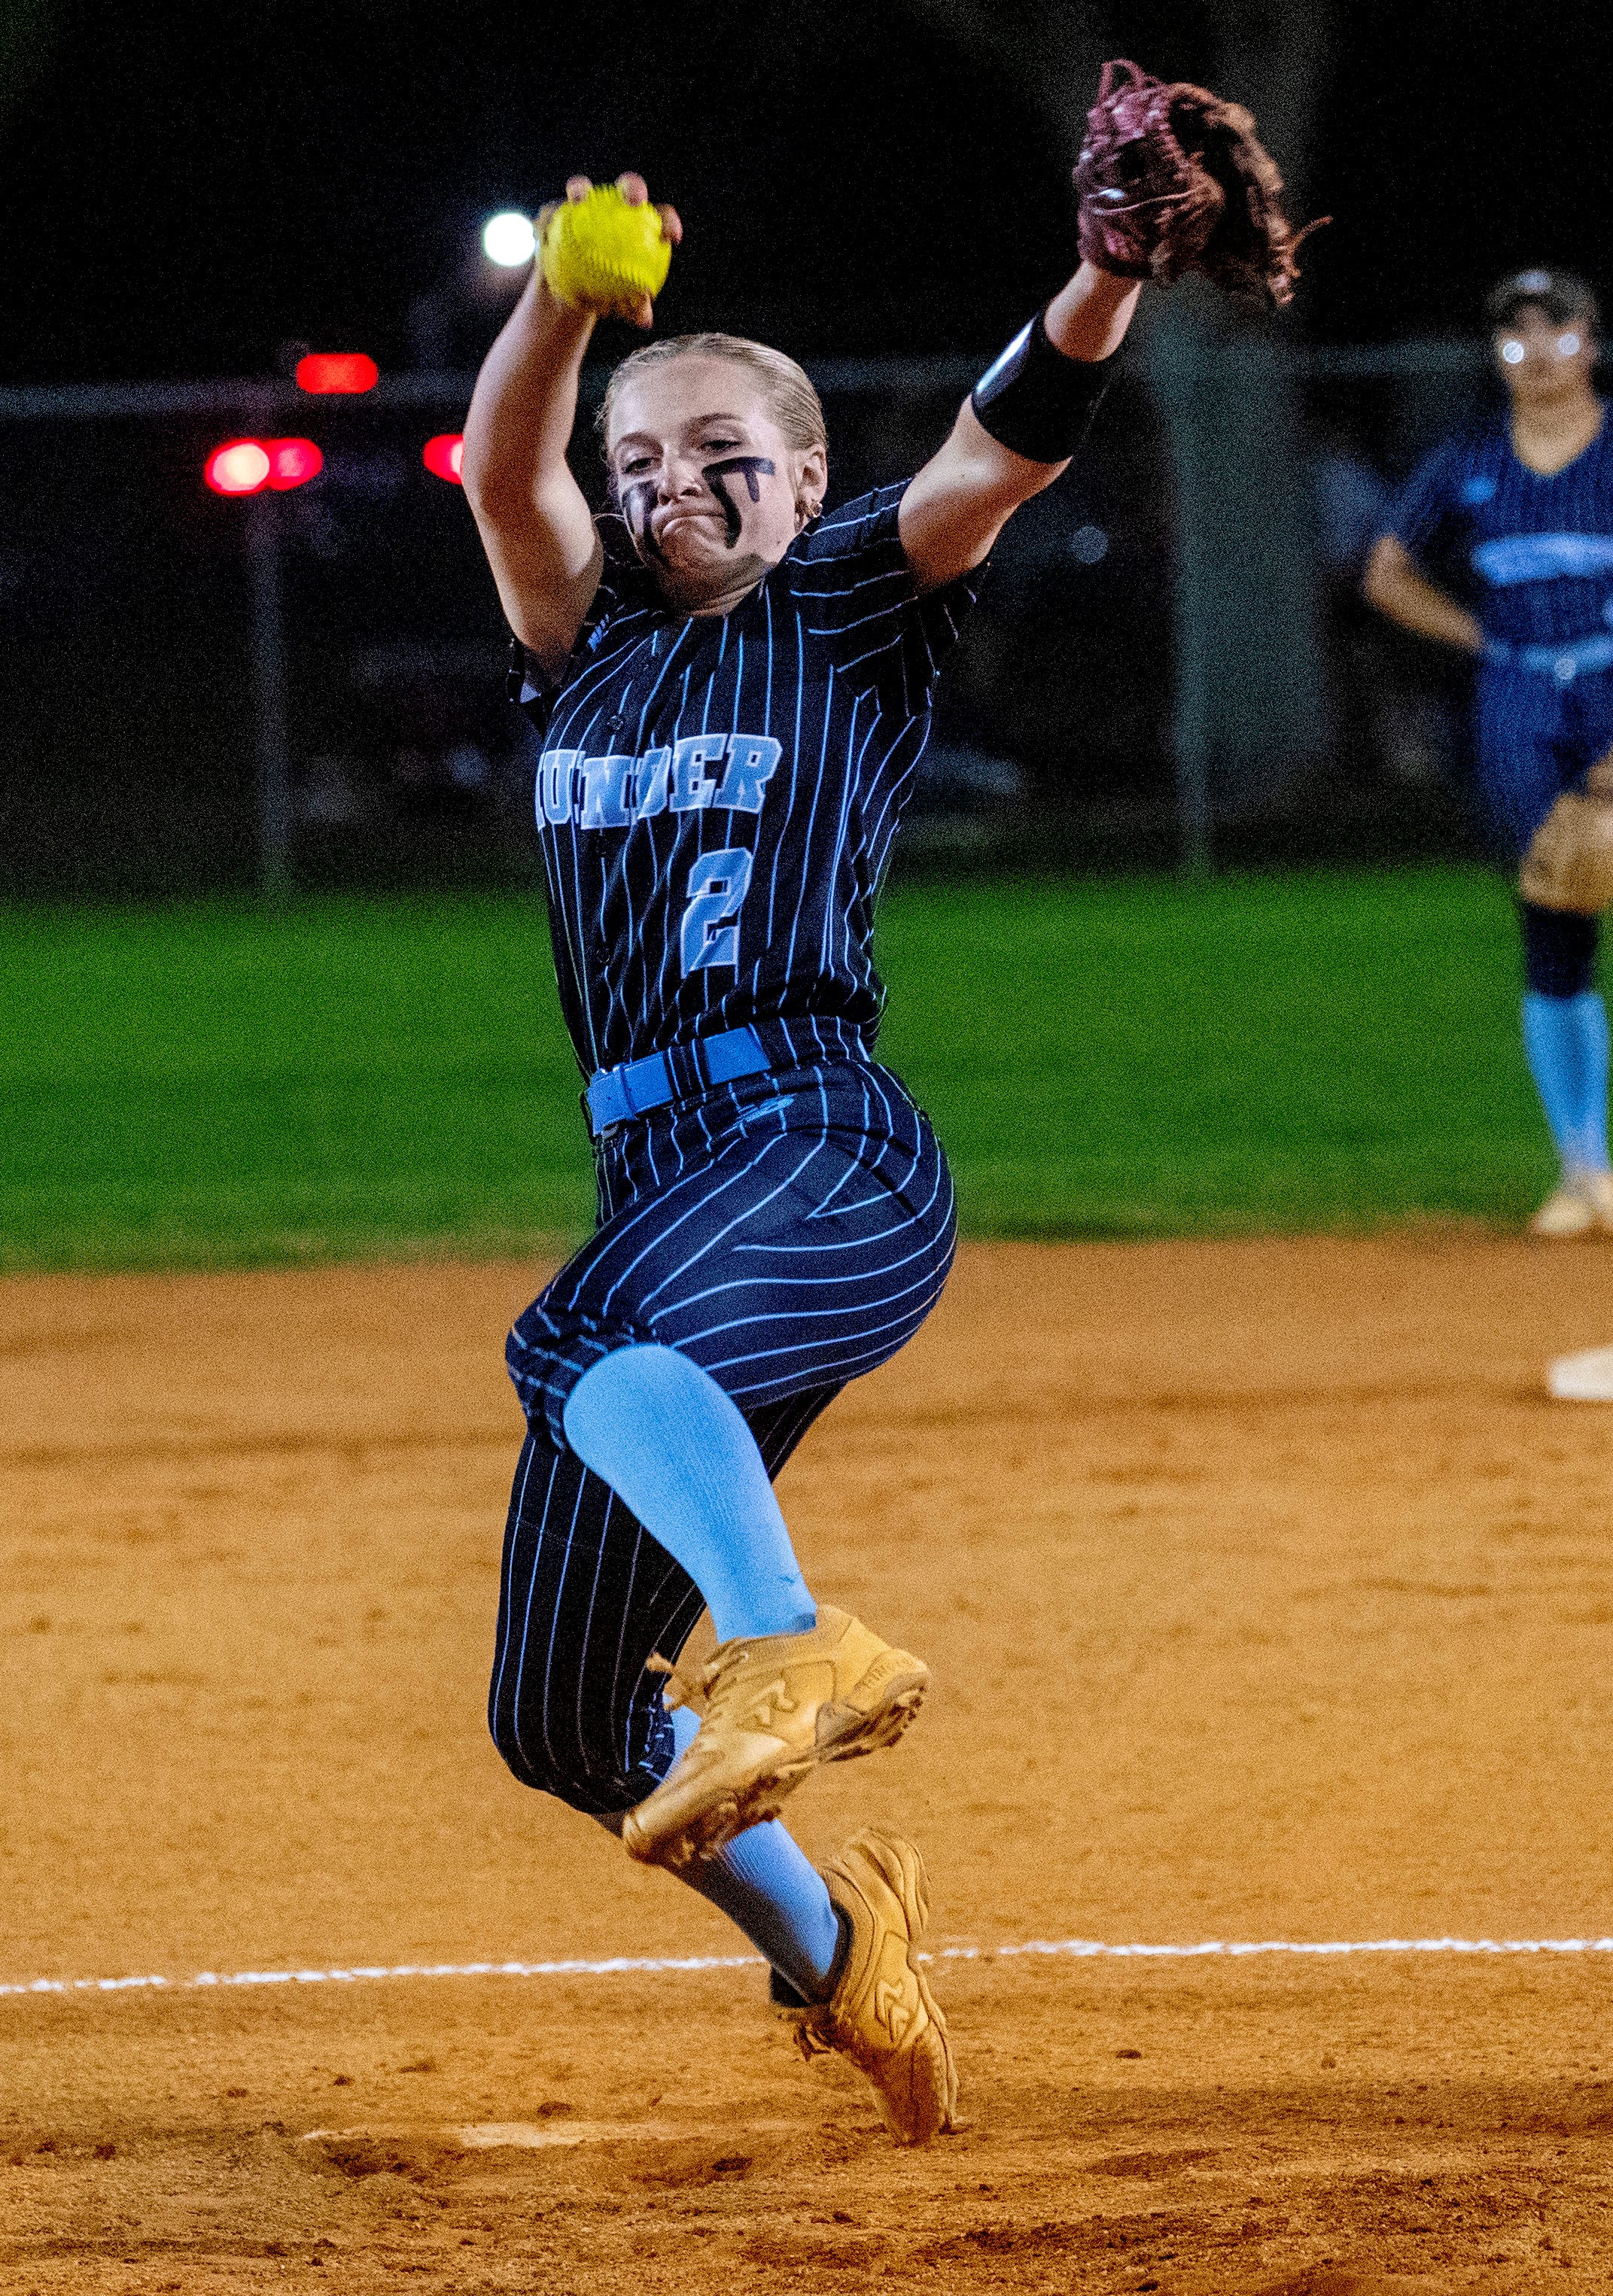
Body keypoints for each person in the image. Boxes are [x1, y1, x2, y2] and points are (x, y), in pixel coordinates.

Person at [458, 166, 1147, 2144]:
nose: (675, 483)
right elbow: (506, 470)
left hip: (820, 1149)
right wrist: (564, 313)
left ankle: (789, 1642)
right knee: (556, 1718)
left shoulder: (846, 595)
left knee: (584, 1350)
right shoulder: (581, 635)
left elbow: (1003, 446)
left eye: (721, 450)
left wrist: (1102, 273)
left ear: (805, 467)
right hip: (663, 1194)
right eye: (640, 456)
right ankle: (840, 1950)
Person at [1362, 267, 1613, 1239]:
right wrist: (1478, 640)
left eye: (1554, 331)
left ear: (1589, 341)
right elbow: (1386, 571)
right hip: (1516, 700)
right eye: (1514, 335)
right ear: (1494, 351)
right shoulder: (1468, 459)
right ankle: (1582, 1177)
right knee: (1552, 926)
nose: (1535, 352)